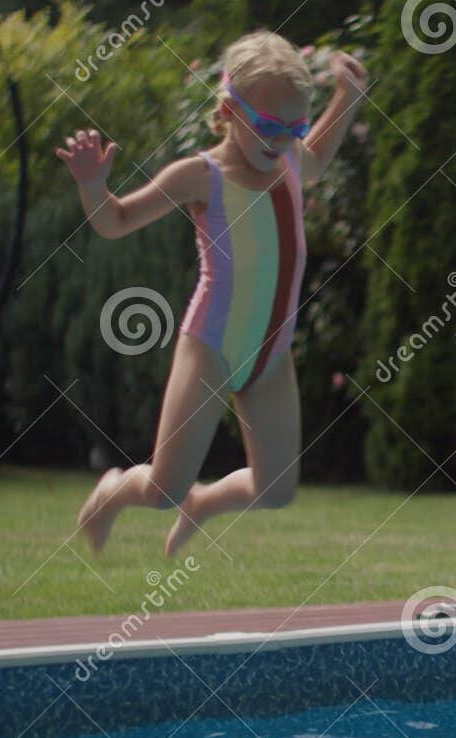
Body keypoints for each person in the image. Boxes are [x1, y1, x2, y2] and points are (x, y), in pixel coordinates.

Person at [55, 30, 366, 556]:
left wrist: (346, 99)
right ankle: (113, 491)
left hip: (272, 351)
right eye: (270, 126)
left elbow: (318, 157)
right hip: (213, 346)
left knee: (277, 489)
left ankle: (204, 504)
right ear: (228, 110)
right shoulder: (203, 176)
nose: (283, 139)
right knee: (162, 490)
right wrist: (92, 185)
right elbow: (117, 220)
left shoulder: (289, 157)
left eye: (296, 127)